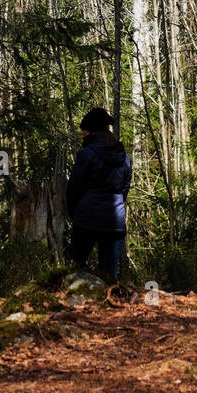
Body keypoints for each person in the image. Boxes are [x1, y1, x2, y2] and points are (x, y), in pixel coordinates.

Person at [65, 107, 132, 280]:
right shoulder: (124, 157)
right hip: (114, 223)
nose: (82, 135)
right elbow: (124, 190)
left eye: (84, 131)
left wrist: (75, 213)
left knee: (75, 270)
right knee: (109, 275)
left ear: (91, 132)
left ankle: (74, 306)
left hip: (86, 220)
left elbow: (73, 189)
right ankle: (112, 305)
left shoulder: (86, 154)